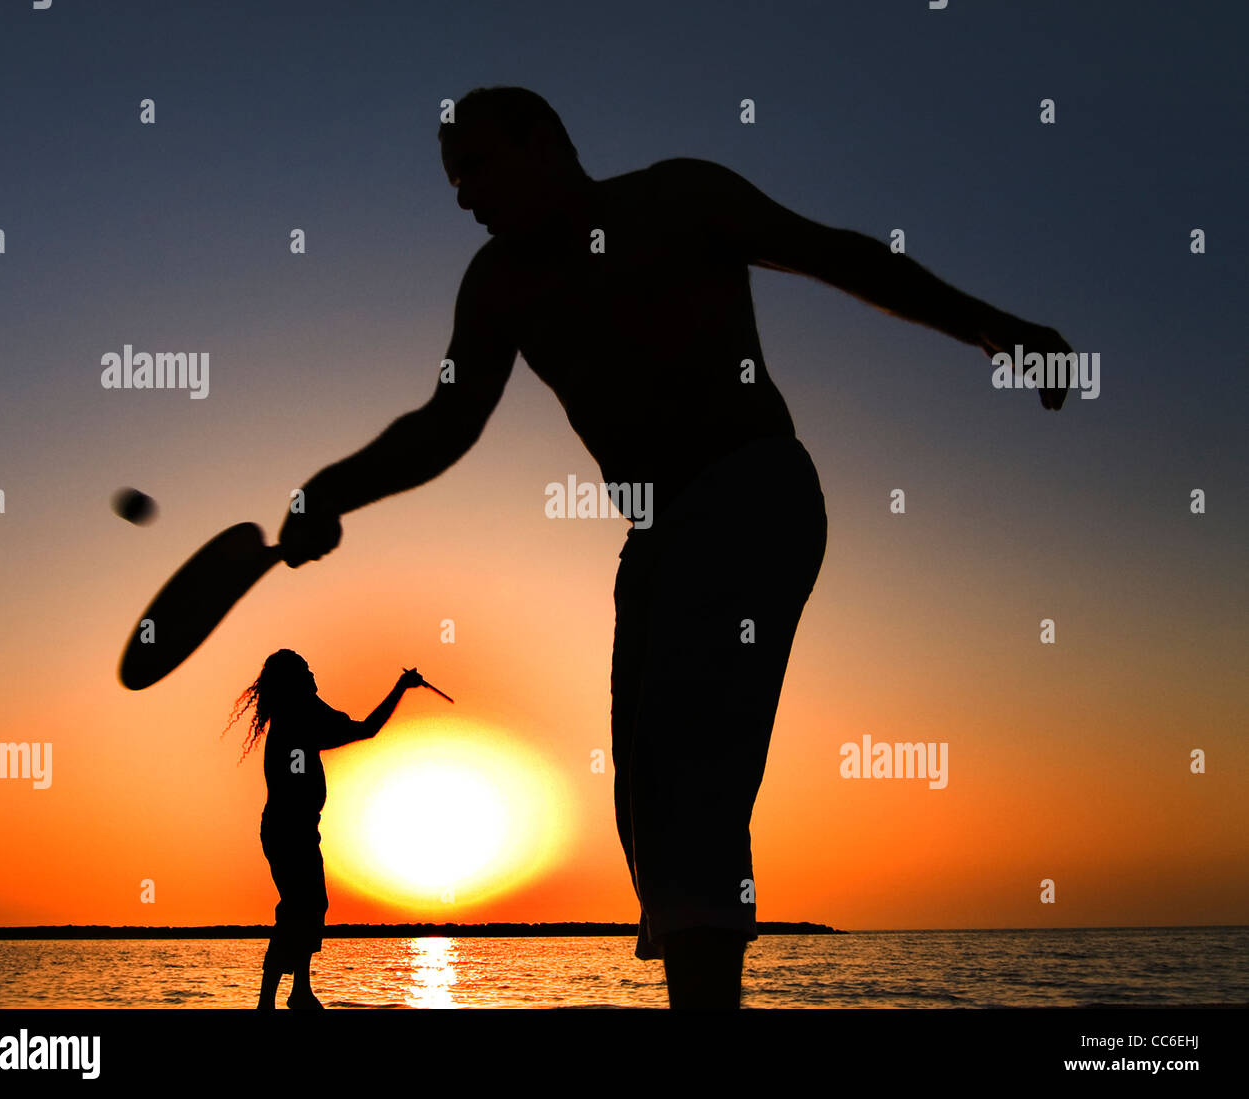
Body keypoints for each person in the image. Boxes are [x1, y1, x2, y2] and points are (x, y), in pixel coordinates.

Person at [275, 86, 1072, 1008]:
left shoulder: (680, 199)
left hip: (751, 489)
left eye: (477, 167)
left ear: (546, 142)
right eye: (452, 179)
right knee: (645, 800)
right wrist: (331, 489)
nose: (462, 195)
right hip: (653, 536)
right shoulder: (498, 283)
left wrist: (993, 329)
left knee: (690, 771)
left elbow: (837, 255)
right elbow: (447, 420)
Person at [224, 650, 424, 1010]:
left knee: (309, 904)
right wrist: (401, 687)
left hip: (294, 827)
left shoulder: (297, 712)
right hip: (289, 828)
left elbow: (357, 728)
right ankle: (268, 1001)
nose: (314, 674)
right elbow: (366, 729)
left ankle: (298, 990)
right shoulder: (301, 713)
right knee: (299, 906)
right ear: (296, 682)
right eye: (306, 670)